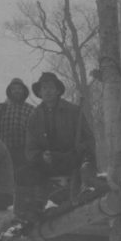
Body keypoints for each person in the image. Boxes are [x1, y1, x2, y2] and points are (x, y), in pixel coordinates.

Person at [21, 71, 97, 218]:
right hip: (49, 162)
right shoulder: (34, 116)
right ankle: (31, 211)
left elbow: (89, 140)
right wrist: (41, 156)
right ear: (40, 92)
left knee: (86, 163)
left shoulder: (74, 111)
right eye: (44, 88)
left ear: (57, 90)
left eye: (51, 87)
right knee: (24, 173)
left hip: (72, 158)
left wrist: (77, 151)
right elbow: (30, 148)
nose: (47, 91)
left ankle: (86, 191)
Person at [0, 77, 35, 211]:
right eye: (13, 89)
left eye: (19, 89)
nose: (16, 91)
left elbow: (35, 132)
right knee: (6, 180)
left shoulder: (31, 109)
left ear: (24, 91)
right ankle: (5, 206)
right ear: (9, 92)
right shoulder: (3, 108)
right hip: (5, 151)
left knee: (22, 180)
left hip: (23, 150)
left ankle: (23, 207)